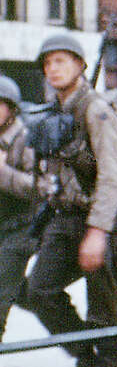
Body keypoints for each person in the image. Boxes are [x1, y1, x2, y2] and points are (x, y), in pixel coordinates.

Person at [24, 34, 117, 367]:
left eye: (61, 60)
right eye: (48, 63)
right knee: (39, 290)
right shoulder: (55, 110)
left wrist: (98, 231)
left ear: (80, 65)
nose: (53, 68)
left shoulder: (97, 109)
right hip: (67, 216)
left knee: (104, 302)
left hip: (104, 219)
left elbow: (112, 176)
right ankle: (90, 363)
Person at [0, 75, 37, 340]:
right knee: (30, 295)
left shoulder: (25, 139)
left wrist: (3, 173)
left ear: (12, 109)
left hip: (21, 227)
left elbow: (39, 186)